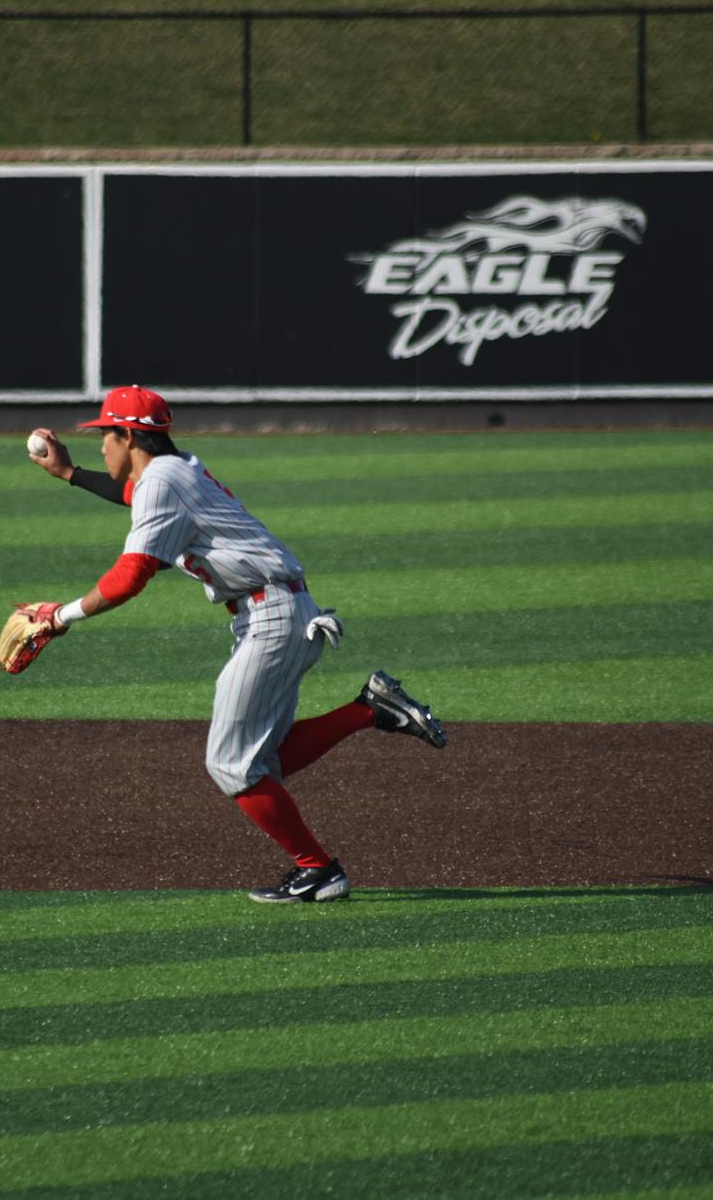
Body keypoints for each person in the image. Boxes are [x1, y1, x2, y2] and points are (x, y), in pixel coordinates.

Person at [28, 384, 446, 904]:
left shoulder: (162, 481)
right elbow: (133, 495)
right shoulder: (173, 472)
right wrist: (68, 474)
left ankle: (319, 870)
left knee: (230, 765)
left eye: (104, 436)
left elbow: (131, 575)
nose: (100, 447)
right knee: (256, 761)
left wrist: (59, 617)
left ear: (129, 436)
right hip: (278, 612)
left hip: (271, 616)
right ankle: (370, 710)